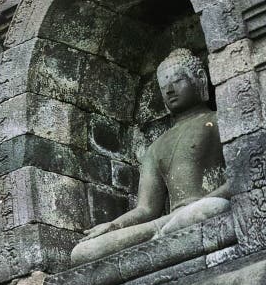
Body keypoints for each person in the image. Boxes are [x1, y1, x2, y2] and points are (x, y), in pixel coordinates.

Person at [71, 48, 230, 265]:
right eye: (164, 86)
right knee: (83, 253)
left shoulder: (219, 119)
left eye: (178, 81)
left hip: (205, 209)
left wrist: (203, 203)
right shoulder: (156, 147)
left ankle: (168, 236)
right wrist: (114, 226)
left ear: (199, 79)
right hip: (165, 222)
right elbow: (146, 209)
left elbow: (243, 174)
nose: (170, 90)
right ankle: (167, 236)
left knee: (205, 211)